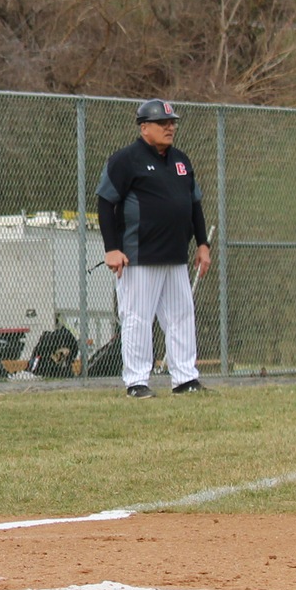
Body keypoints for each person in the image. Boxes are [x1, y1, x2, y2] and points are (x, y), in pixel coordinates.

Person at [96, 98, 213, 399]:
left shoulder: (181, 161)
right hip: (138, 256)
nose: (170, 127)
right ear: (144, 127)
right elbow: (106, 202)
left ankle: (185, 378)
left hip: (175, 256)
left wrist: (202, 244)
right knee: (137, 317)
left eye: (172, 122)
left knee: (182, 316)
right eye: (163, 123)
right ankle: (136, 381)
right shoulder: (126, 160)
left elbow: (194, 204)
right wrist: (112, 248)